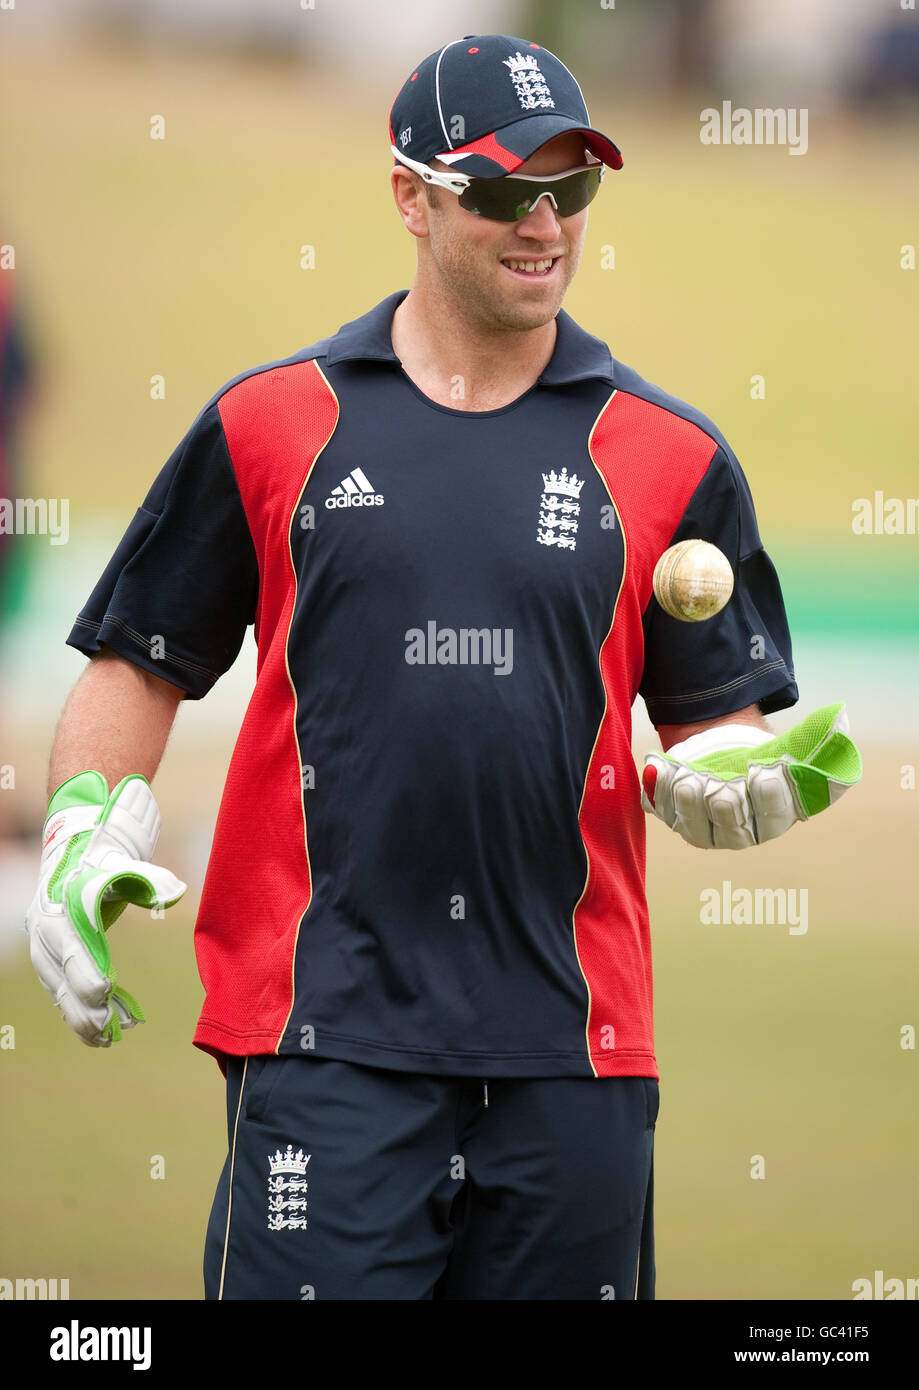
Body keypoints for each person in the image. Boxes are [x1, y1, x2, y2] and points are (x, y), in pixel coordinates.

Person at [25, 34, 861, 1301]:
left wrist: (742, 774)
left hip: (573, 1050)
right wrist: (83, 824)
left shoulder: (671, 458)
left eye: (570, 187)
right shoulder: (269, 423)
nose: (544, 225)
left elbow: (716, 730)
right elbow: (136, 666)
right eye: (503, 191)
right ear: (410, 197)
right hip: (322, 1039)